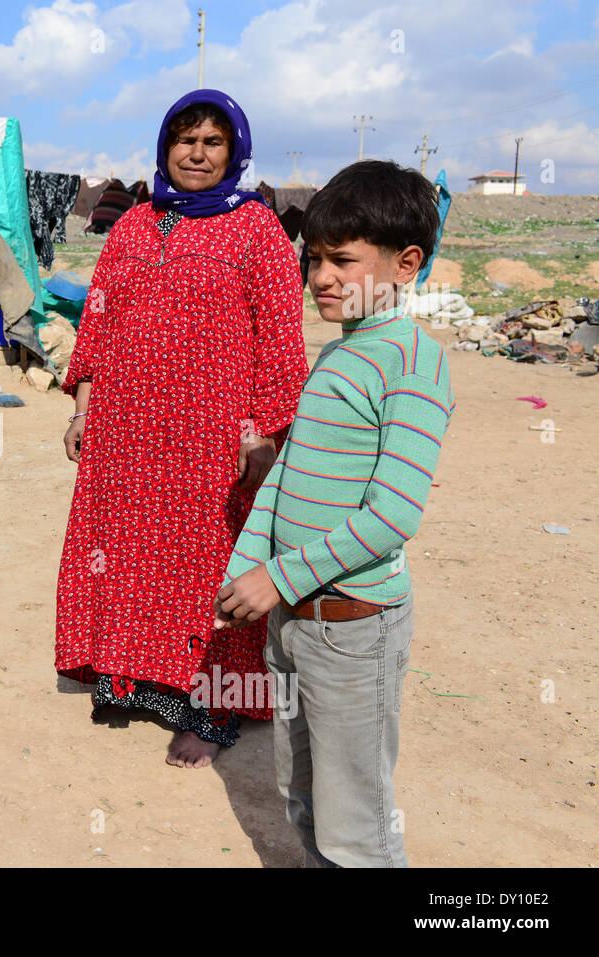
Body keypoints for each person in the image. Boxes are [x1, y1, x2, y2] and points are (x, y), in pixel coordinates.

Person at [56, 89, 308, 769]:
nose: (197, 153)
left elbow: (280, 344)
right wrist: (84, 405)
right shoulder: (136, 224)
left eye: (213, 142)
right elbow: (98, 324)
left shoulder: (258, 231)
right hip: (128, 432)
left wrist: (263, 437)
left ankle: (215, 708)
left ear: (234, 152)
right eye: (185, 139)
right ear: (166, 146)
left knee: (211, 566)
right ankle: (129, 678)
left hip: (216, 440)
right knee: (129, 552)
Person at [213, 160, 453, 866]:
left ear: (405, 263)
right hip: (295, 624)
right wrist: (245, 571)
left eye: (342, 260)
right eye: (314, 258)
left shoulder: (413, 362)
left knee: (357, 825)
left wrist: (278, 578)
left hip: (354, 630)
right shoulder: (339, 355)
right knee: (303, 795)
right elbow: (283, 476)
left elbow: (392, 514)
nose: (320, 275)